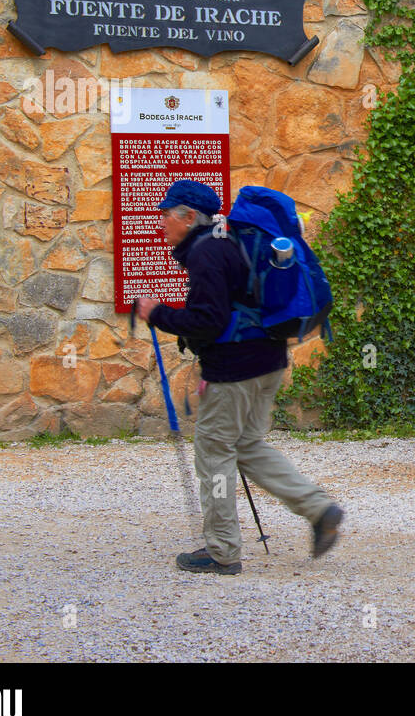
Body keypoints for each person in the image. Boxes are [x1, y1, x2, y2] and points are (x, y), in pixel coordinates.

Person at [136, 179, 344, 575]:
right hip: (267, 363)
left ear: (189, 216)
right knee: (247, 445)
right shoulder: (231, 240)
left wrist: (157, 313)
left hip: (234, 371)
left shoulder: (206, 253)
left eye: (166, 214)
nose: (161, 221)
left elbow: (208, 322)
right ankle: (320, 510)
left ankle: (222, 551)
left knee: (214, 453)